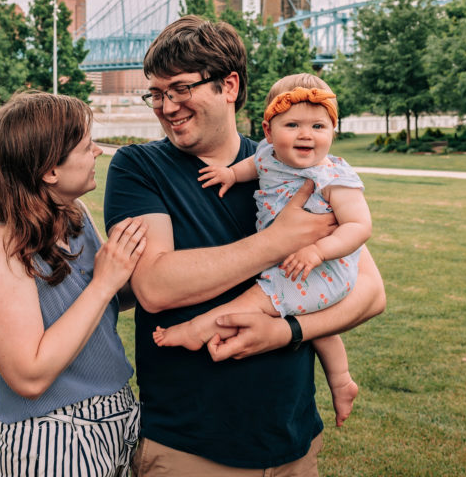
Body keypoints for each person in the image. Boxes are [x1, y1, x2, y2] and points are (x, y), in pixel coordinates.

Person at [105, 15, 386, 477]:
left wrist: (286, 332)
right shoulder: (140, 168)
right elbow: (155, 287)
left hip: (294, 444)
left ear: (229, 85)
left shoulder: (292, 163)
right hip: (191, 449)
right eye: (155, 93)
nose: (166, 106)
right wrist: (280, 239)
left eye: (179, 89)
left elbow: (370, 292)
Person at [153, 73, 369, 428]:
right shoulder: (269, 156)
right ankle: (342, 381)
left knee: (262, 296)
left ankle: (201, 328)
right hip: (293, 262)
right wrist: (230, 175)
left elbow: (360, 227)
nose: (306, 134)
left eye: (318, 125)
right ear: (269, 132)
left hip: (322, 267)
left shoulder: (334, 179)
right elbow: (253, 166)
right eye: (293, 125)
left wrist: (318, 251)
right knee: (321, 326)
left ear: (333, 130)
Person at [0, 91, 148, 477]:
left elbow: (105, 300)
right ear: (50, 171)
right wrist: (104, 283)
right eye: (86, 146)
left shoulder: (73, 214)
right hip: (52, 438)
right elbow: (28, 375)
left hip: (117, 418)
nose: (97, 151)